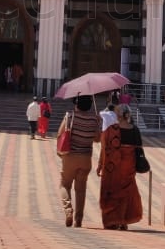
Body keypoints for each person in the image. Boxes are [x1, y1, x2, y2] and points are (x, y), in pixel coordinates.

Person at [96, 103, 144, 230]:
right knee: (127, 191)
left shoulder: (111, 130)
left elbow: (104, 148)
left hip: (112, 165)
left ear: (118, 115)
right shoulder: (134, 129)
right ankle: (123, 220)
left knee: (112, 191)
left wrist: (100, 164)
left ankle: (112, 220)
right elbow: (138, 148)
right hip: (129, 165)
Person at [58, 94, 101, 228]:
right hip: (86, 158)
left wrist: (60, 153)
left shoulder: (70, 116)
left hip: (70, 156)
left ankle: (68, 210)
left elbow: (60, 134)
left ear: (76, 103)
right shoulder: (94, 119)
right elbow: (97, 139)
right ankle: (79, 220)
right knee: (81, 190)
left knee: (64, 185)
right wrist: (97, 123)